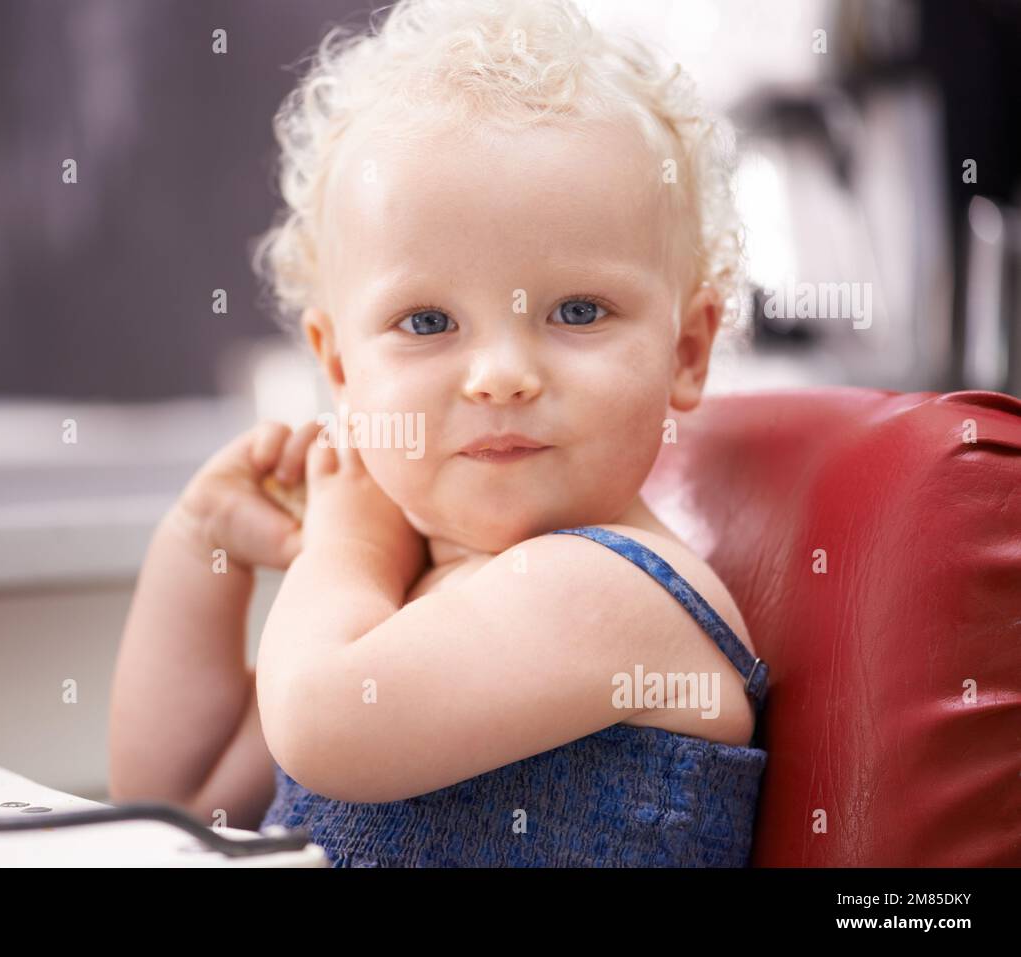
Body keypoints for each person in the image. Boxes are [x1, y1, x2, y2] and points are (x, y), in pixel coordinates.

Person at [110, 0, 769, 867]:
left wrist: (345, 541)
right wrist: (200, 549)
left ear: (686, 351)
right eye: (426, 321)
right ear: (340, 369)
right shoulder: (391, 593)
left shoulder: (617, 594)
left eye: (577, 310)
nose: (500, 373)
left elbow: (324, 721)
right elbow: (176, 804)